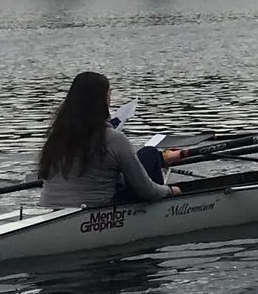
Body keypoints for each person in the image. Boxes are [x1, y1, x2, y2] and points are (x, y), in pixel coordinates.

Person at [38, 70, 178, 208]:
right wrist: (169, 190)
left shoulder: (56, 136)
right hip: (95, 212)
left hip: (48, 206)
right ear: (101, 101)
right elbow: (148, 191)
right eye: (109, 95)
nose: (110, 101)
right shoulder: (114, 138)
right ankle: (162, 211)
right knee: (150, 154)